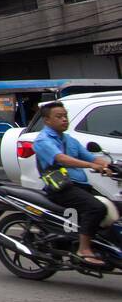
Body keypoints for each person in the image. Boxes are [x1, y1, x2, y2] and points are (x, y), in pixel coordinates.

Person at [33, 101, 116, 267]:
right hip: (60, 188)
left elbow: (91, 157)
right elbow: (61, 159)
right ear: (47, 120)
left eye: (65, 116)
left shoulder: (69, 139)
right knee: (96, 208)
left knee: (114, 207)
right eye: (59, 117)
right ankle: (83, 250)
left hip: (78, 186)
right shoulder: (43, 140)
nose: (64, 119)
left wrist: (106, 165)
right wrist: (91, 166)